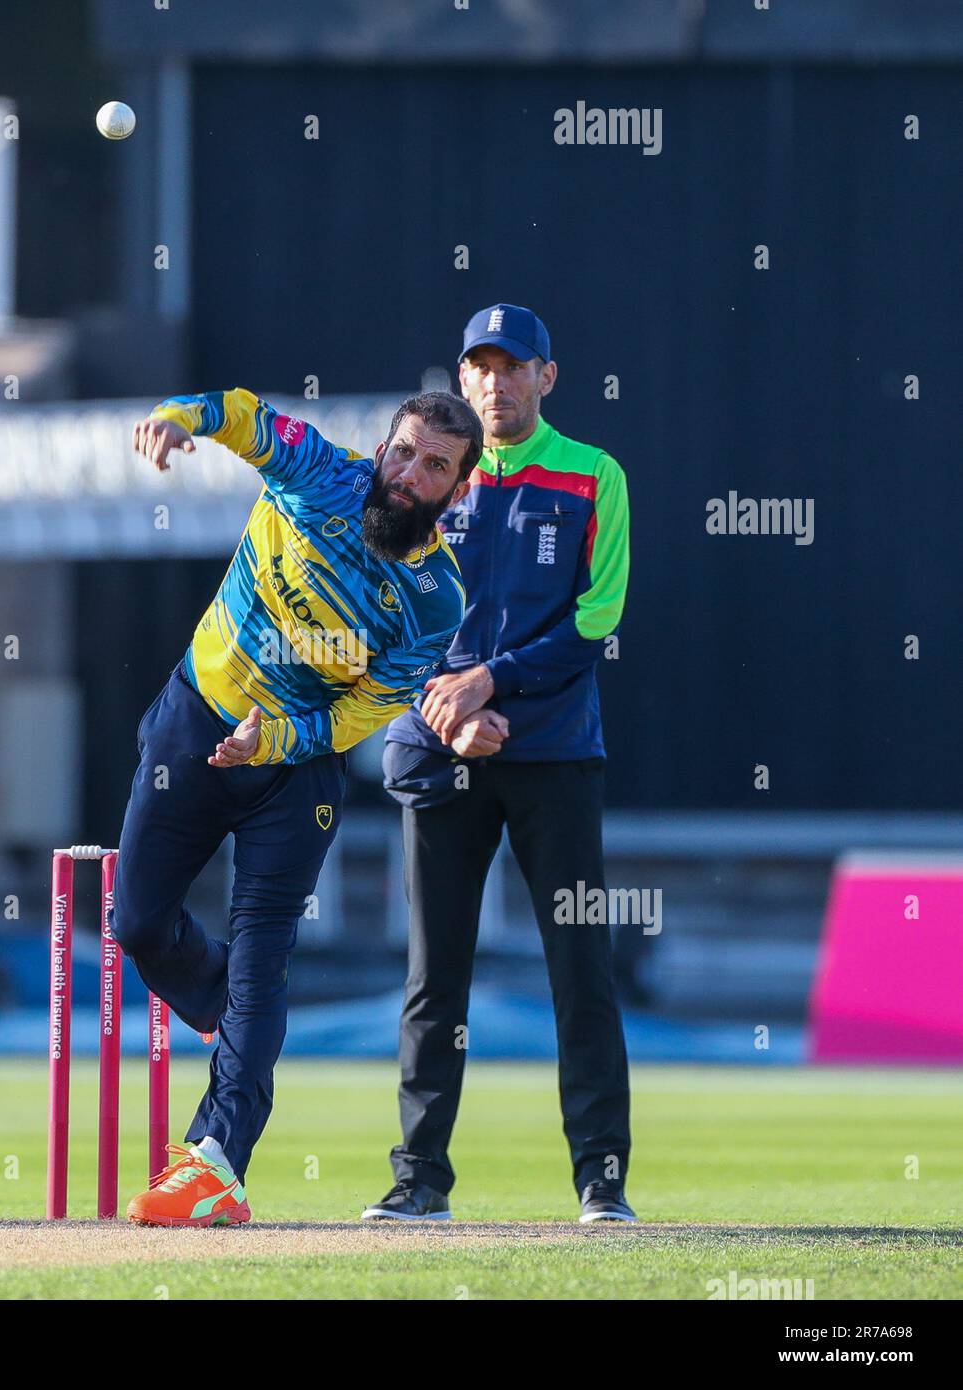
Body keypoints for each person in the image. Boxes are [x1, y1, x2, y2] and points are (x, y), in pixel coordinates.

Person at [112, 386, 479, 1227]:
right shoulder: (322, 472)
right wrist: (182, 417)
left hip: (296, 767)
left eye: (434, 468)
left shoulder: (437, 602)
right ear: (381, 447)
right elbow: (242, 414)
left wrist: (269, 740)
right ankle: (227, 1011)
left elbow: (359, 714)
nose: (408, 475)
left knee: (262, 956)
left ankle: (216, 1164)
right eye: (403, 451)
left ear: (456, 493)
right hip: (195, 717)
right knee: (135, 922)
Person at [364, 304, 635, 1224]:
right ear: (461, 376)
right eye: (480, 367)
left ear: (546, 377)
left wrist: (490, 685)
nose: (495, 383)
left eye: (513, 366)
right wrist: (450, 715)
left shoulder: (596, 476)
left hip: (556, 755)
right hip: (447, 757)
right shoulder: (434, 475)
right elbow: (387, 616)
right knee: (434, 977)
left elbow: (595, 619)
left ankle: (601, 1181)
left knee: (580, 968)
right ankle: (417, 1183)